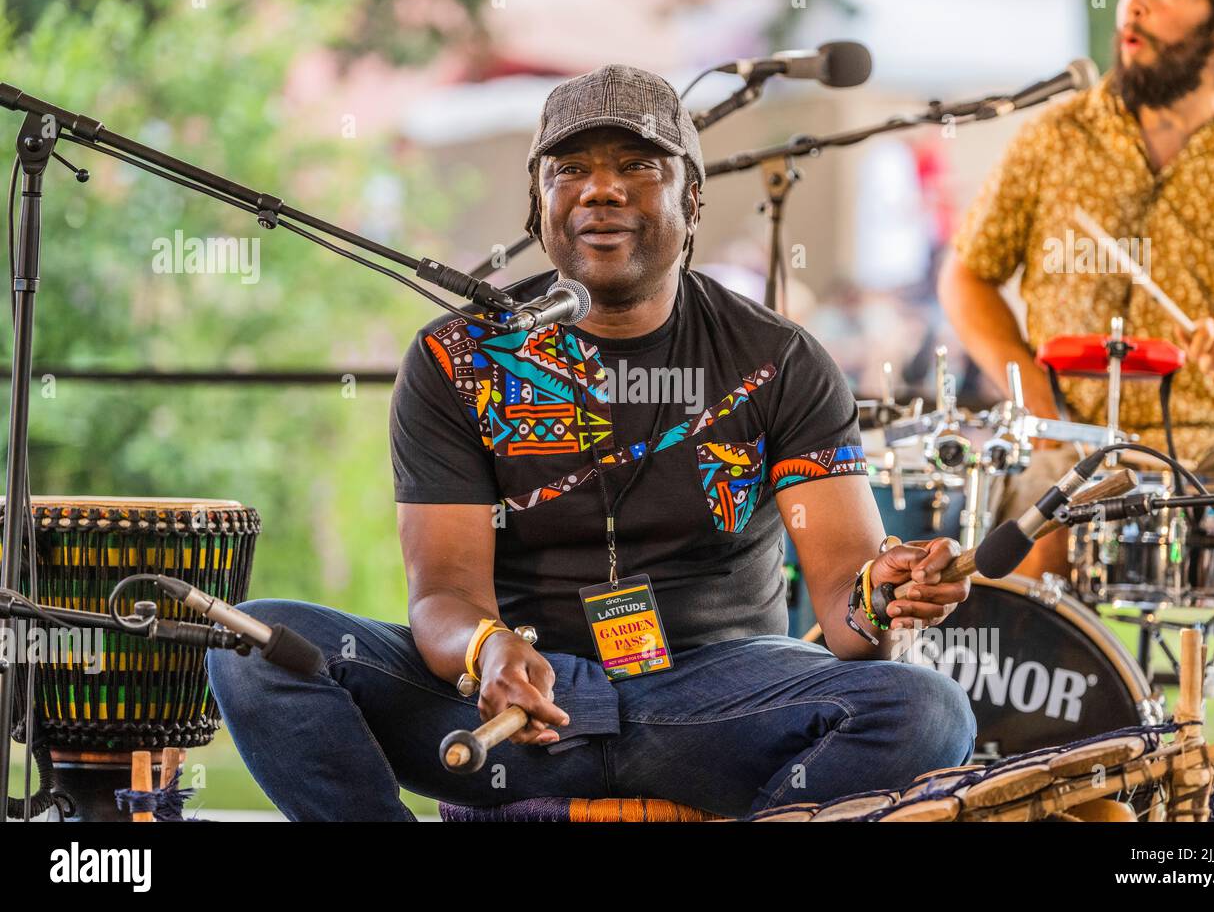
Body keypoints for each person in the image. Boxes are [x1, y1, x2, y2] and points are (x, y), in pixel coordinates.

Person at [206, 64, 977, 821]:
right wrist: (489, 650)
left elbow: (847, 605)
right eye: (569, 168)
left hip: (715, 703)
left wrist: (883, 594)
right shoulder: (458, 361)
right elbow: (443, 593)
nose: (600, 188)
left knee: (927, 711)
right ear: (537, 207)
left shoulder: (779, 360)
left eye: (638, 165)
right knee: (254, 644)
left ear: (693, 197)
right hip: (524, 703)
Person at [940, 0, 1214, 579]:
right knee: (1033, 544)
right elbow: (967, 275)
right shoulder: (1054, 136)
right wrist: (1031, 391)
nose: (1132, 3)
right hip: (1068, 434)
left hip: (1207, 446)